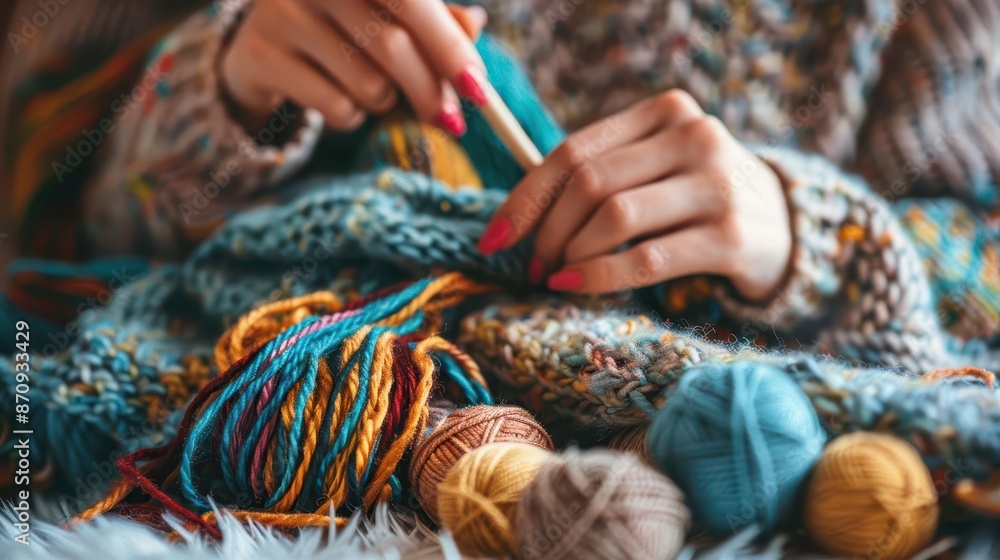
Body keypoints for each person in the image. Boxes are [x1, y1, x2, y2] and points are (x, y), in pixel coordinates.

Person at [2, 0, 998, 372]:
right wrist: (221, 95)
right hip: (294, 438)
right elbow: (44, 211)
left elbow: (980, 272)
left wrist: (804, 232)